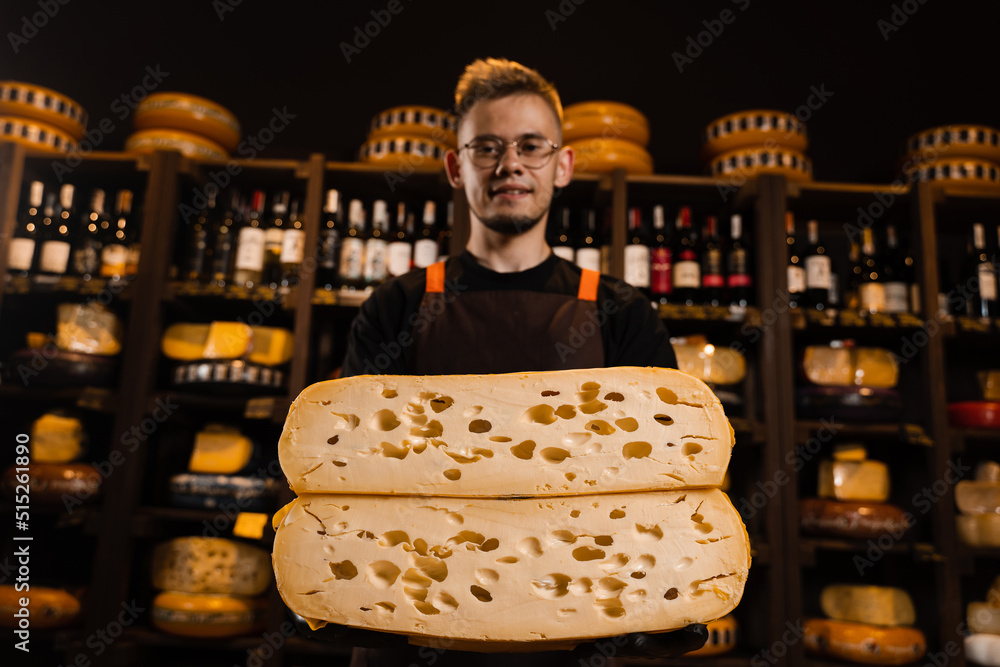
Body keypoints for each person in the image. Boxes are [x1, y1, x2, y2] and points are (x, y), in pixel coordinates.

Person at [324, 58, 702, 666]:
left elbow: (666, 481)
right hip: (413, 620)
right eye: (487, 147)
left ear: (564, 164)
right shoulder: (398, 304)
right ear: (456, 166)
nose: (510, 164)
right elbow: (346, 469)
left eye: (531, 145)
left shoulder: (620, 311)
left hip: (576, 625)